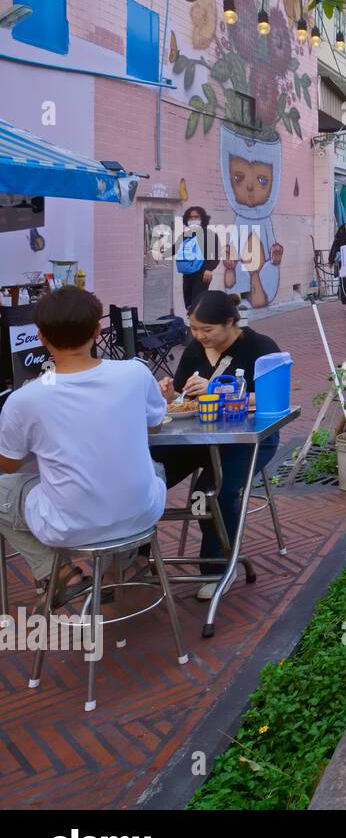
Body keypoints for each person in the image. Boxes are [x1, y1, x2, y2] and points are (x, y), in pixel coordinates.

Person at [0, 287, 167, 606]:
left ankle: (58, 572)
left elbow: (8, 464)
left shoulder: (25, 399)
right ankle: (121, 567)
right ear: (97, 330)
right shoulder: (135, 372)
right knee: (154, 469)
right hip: (141, 516)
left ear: (41, 338)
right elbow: (155, 425)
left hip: (68, 527)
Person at [153, 291, 282, 599]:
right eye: (194, 329)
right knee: (146, 472)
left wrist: (217, 391)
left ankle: (218, 568)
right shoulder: (195, 351)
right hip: (197, 437)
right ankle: (138, 553)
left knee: (211, 492)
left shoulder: (260, 348)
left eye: (207, 330)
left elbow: (273, 398)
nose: (199, 336)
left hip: (248, 439)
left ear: (230, 322)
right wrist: (170, 395)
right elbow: (185, 398)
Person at [177, 205, 218, 312]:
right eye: (190, 218)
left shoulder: (209, 235)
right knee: (189, 305)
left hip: (202, 274)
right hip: (187, 274)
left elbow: (216, 255)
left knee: (198, 305)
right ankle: (192, 326)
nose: (193, 220)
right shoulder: (185, 235)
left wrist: (209, 269)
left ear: (202, 219)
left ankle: (200, 326)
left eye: (196, 217)